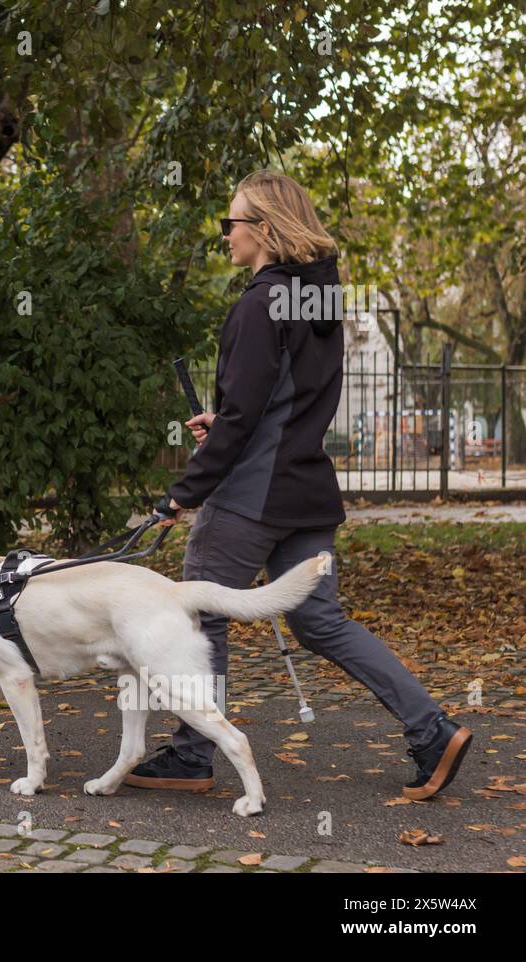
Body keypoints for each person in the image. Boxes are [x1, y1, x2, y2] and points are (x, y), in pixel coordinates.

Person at [132, 170, 472, 801]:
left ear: (262, 228)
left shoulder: (259, 304)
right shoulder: (317, 302)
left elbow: (243, 419)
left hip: (252, 495)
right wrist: (231, 422)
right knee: (322, 624)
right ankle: (433, 730)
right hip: (305, 492)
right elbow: (276, 406)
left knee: (198, 612)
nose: (224, 236)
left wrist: (185, 492)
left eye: (230, 224)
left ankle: (191, 753)